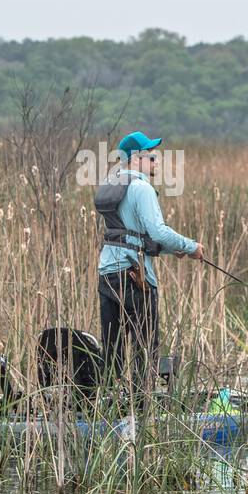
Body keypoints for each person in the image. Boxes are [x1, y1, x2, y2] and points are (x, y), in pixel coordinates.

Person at [94, 131, 204, 404]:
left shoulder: (114, 184)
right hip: (136, 278)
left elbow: (131, 235)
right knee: (145, 346)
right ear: (138, 158)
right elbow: (158, 231)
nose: (156, 163)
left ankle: (111, 401)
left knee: (113, 348)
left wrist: (170, 249)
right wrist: (191, 247)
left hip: (107, 275)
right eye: (152, 157)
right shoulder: (141, 188)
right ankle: (144, 406)